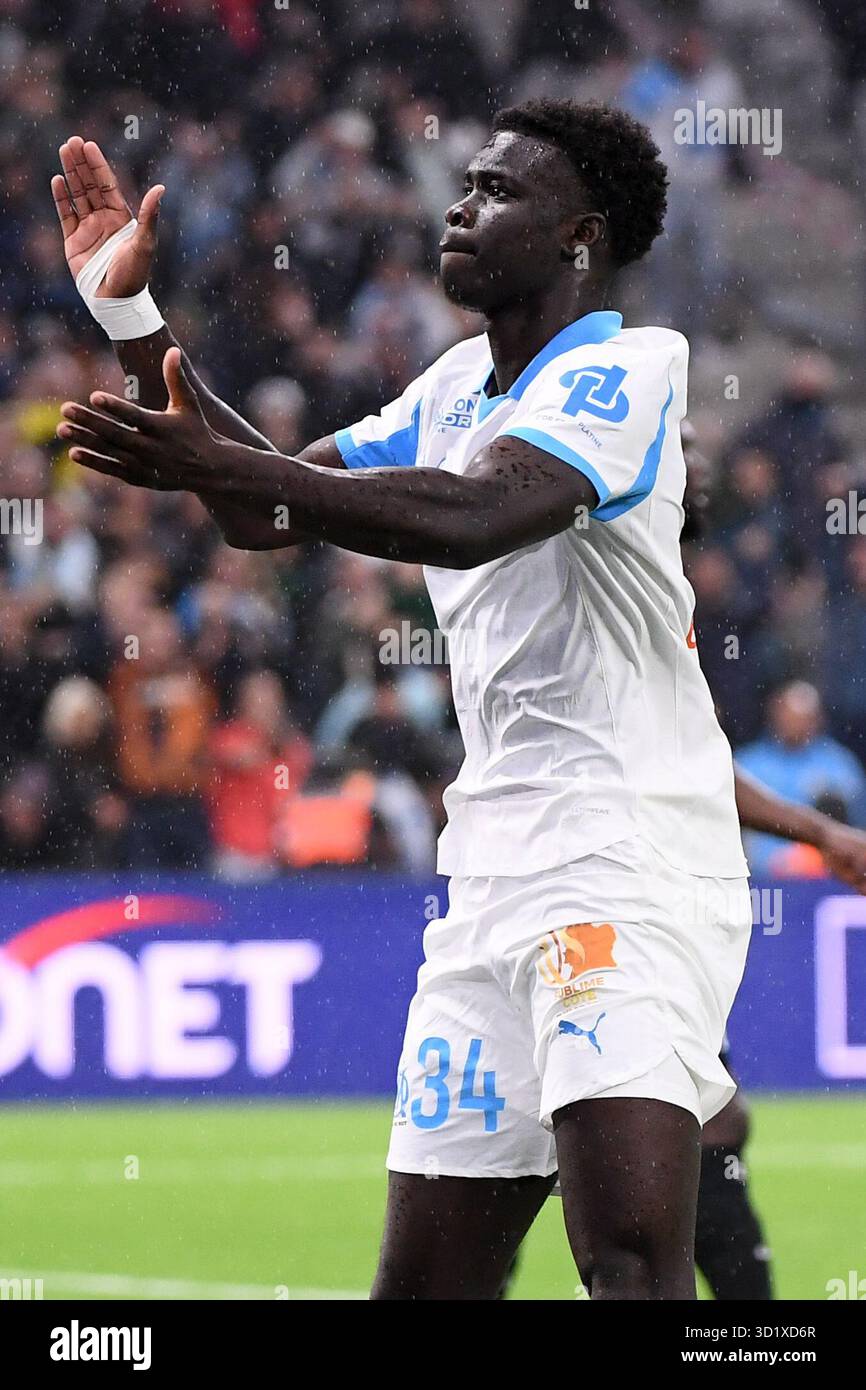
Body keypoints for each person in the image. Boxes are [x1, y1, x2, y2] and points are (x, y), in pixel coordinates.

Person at [54, 102, 751, 1301]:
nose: (457, 206)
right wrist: (132, 320)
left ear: (579, 235)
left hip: (627, 865)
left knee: (628, 1263)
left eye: (494, 191)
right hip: (486, 885)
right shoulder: (449, 389)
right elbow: (261, 510)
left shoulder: (631, 369)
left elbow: (475, 517)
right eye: (462, 184)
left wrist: (220, 464)